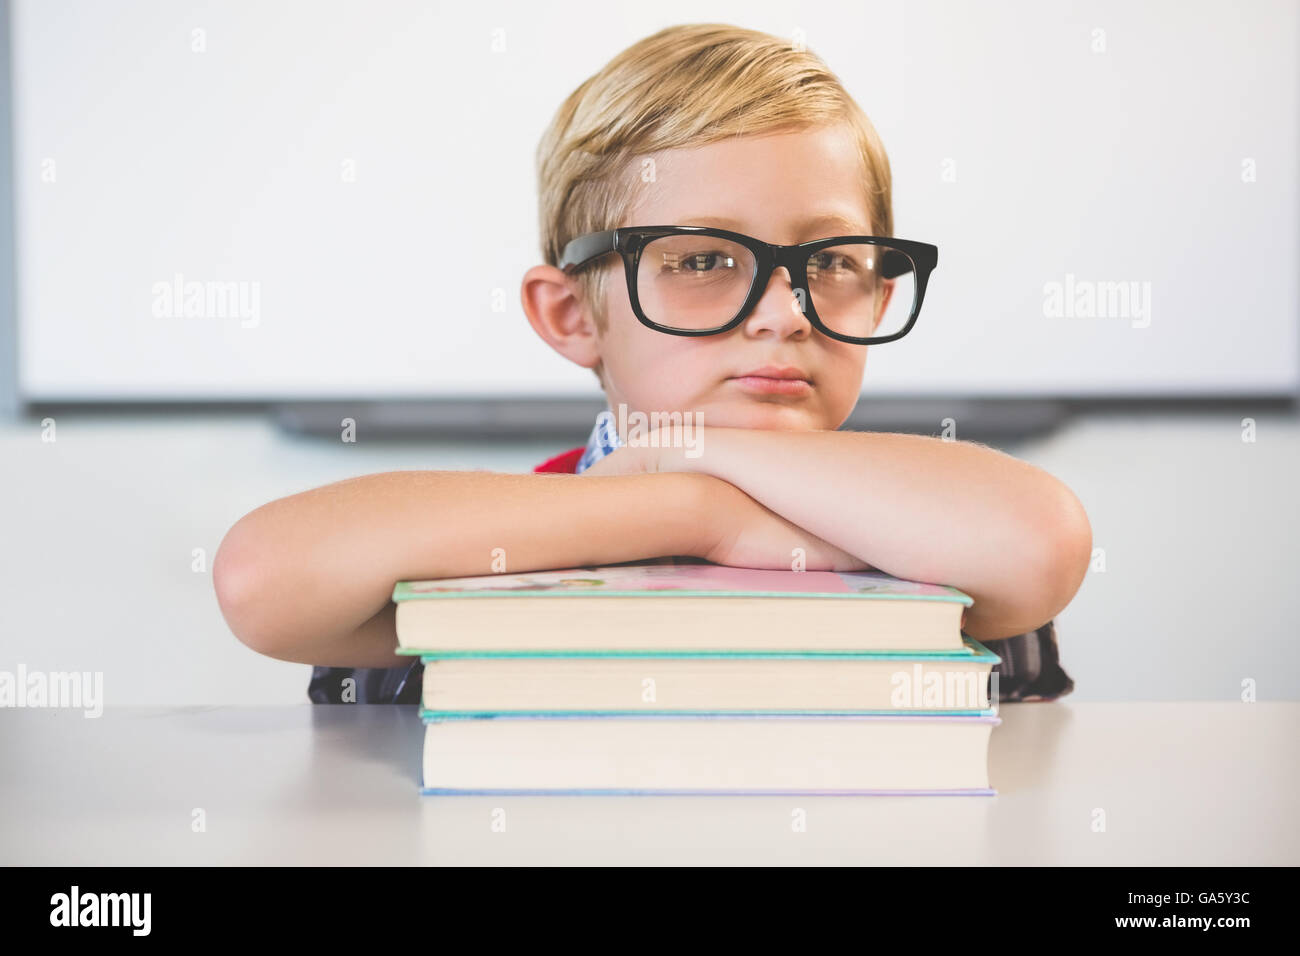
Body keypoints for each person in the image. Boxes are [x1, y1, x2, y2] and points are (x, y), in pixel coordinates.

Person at [213, 23, 1088, 707]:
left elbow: (1037, 541)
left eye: (831, 263)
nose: (786, 314)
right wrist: (696, 512)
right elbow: (265, 576)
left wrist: (689, 451)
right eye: (703, 261)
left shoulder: (944, 529)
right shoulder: (499, 539)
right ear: (570, 315)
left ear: (879, 295)